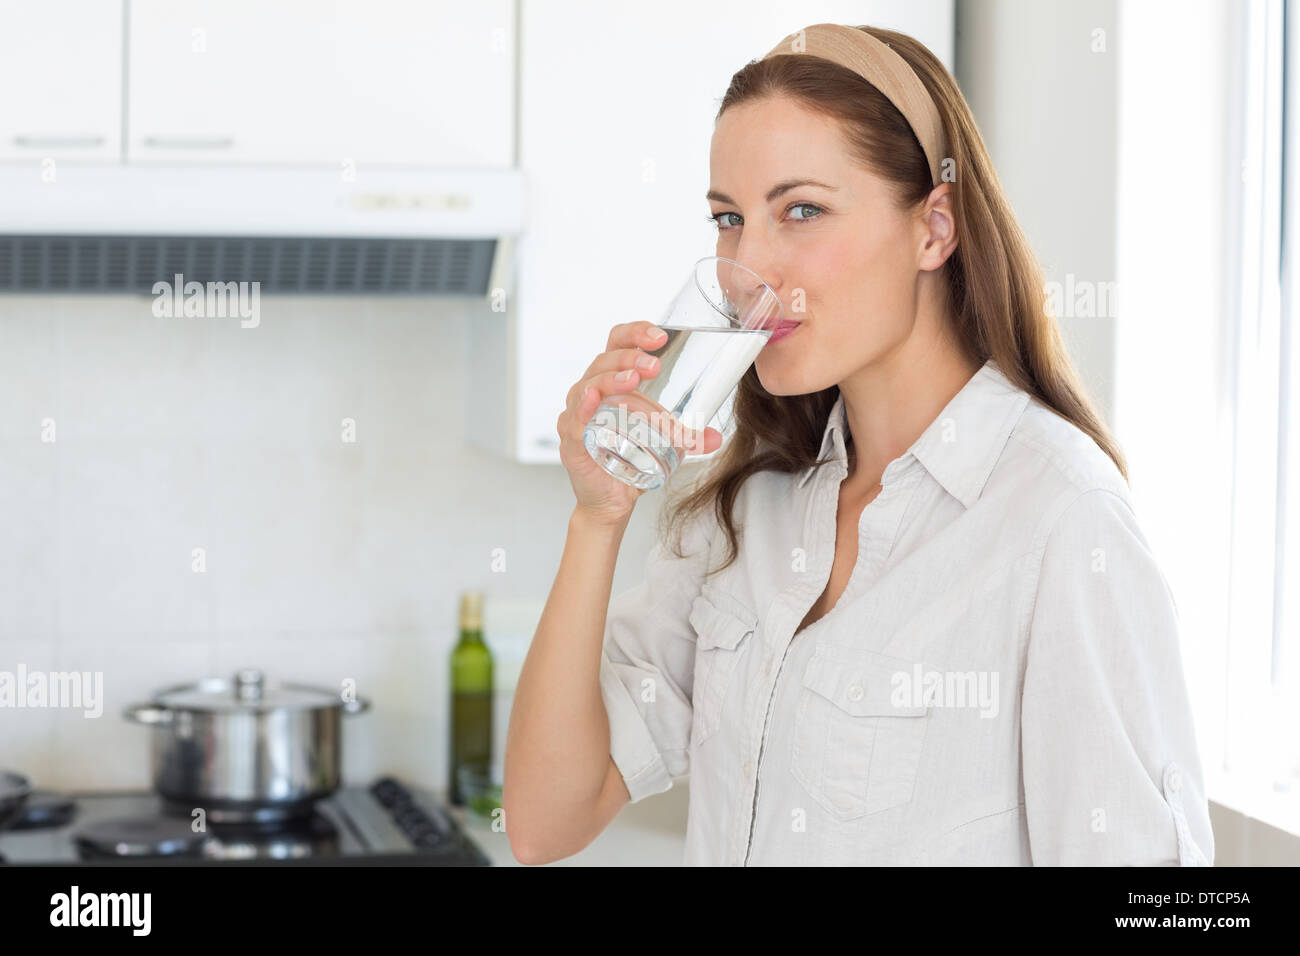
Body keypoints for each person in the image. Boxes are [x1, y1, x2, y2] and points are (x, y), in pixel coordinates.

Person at [503, 22, 1214, 867]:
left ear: (933, 229)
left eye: (801, 210)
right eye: (729, 219)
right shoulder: (750, 506)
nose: (751, 267)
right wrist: (598, 518)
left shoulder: (1061, 521)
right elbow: (544, 823)